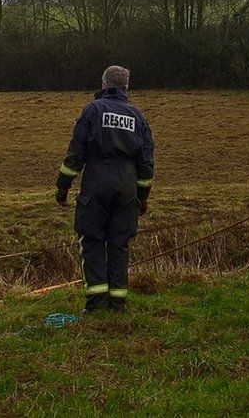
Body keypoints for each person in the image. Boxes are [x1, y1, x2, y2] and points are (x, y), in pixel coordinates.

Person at [55, 66, 154, 313]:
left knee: (91, 240)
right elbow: (146, 162)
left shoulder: (93, 110)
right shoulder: (138, 116)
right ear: (126, 87)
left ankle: (96, 304)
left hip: (97, 182)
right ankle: (118, 303)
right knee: (120, 244)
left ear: (104, 83)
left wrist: (63, 186)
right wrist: (142, 198)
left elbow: (76, 152)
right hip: (127, 186)